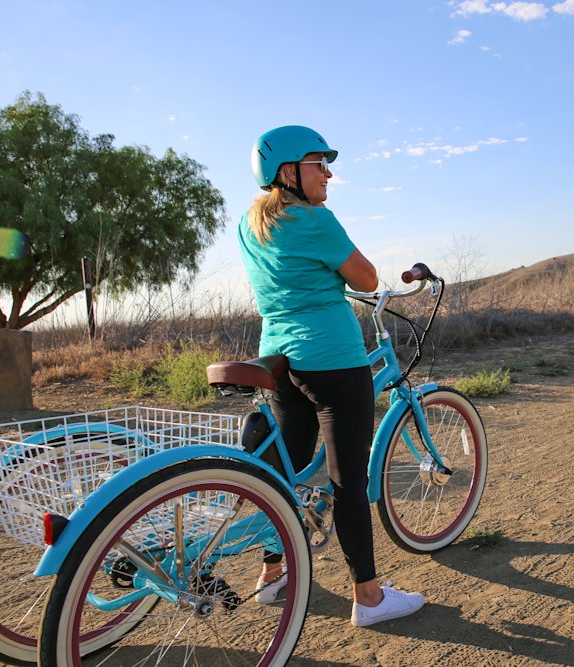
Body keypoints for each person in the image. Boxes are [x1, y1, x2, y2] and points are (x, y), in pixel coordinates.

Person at [238, 125, 425, 627]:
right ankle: (368, 597)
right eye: (319, 163)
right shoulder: (315, 219)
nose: (328, 173)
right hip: (330, 358)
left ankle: (272, 574)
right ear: (288, 172)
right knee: (349, 479)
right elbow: (365, 279)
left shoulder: (249, 225)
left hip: (277, 358)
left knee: (288, 471)